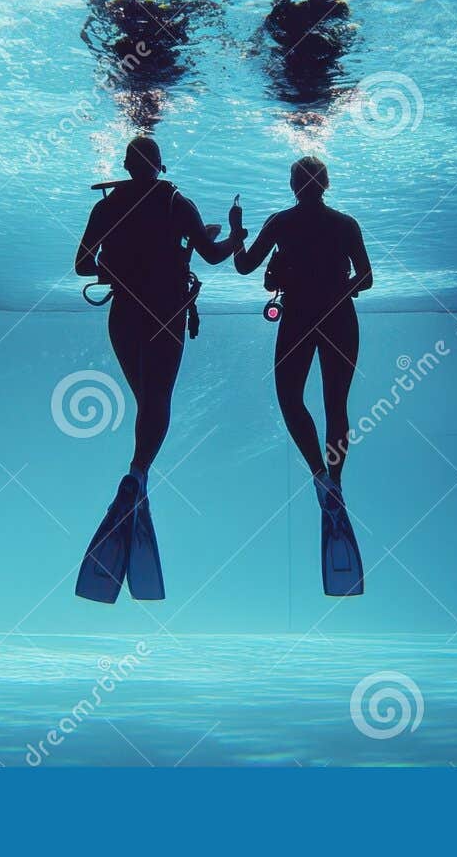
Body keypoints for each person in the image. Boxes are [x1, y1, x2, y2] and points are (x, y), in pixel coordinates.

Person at [72, 136, 245, 603]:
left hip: (123, 315)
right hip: (166, 314)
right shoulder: (175, 202)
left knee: (146, 402)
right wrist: (234, 234)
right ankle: (138, 474)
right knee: (157, 400)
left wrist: (120, 270)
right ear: (160, 166)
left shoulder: (107, 206)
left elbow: (82, 264)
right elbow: (213, 255)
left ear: (126, 166)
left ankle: (138, 475)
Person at [235, 156, 372, 596]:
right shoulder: (346, 224)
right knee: (336, 403)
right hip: (340, 318)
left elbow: (244, 267)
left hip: (296, 318)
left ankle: (320, 477)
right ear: (326, 184)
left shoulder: (281, 222)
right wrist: (335, 291)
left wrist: (236, 231)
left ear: (293, 185)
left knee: (290, 399)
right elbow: (367, 278)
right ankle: (336, 481)